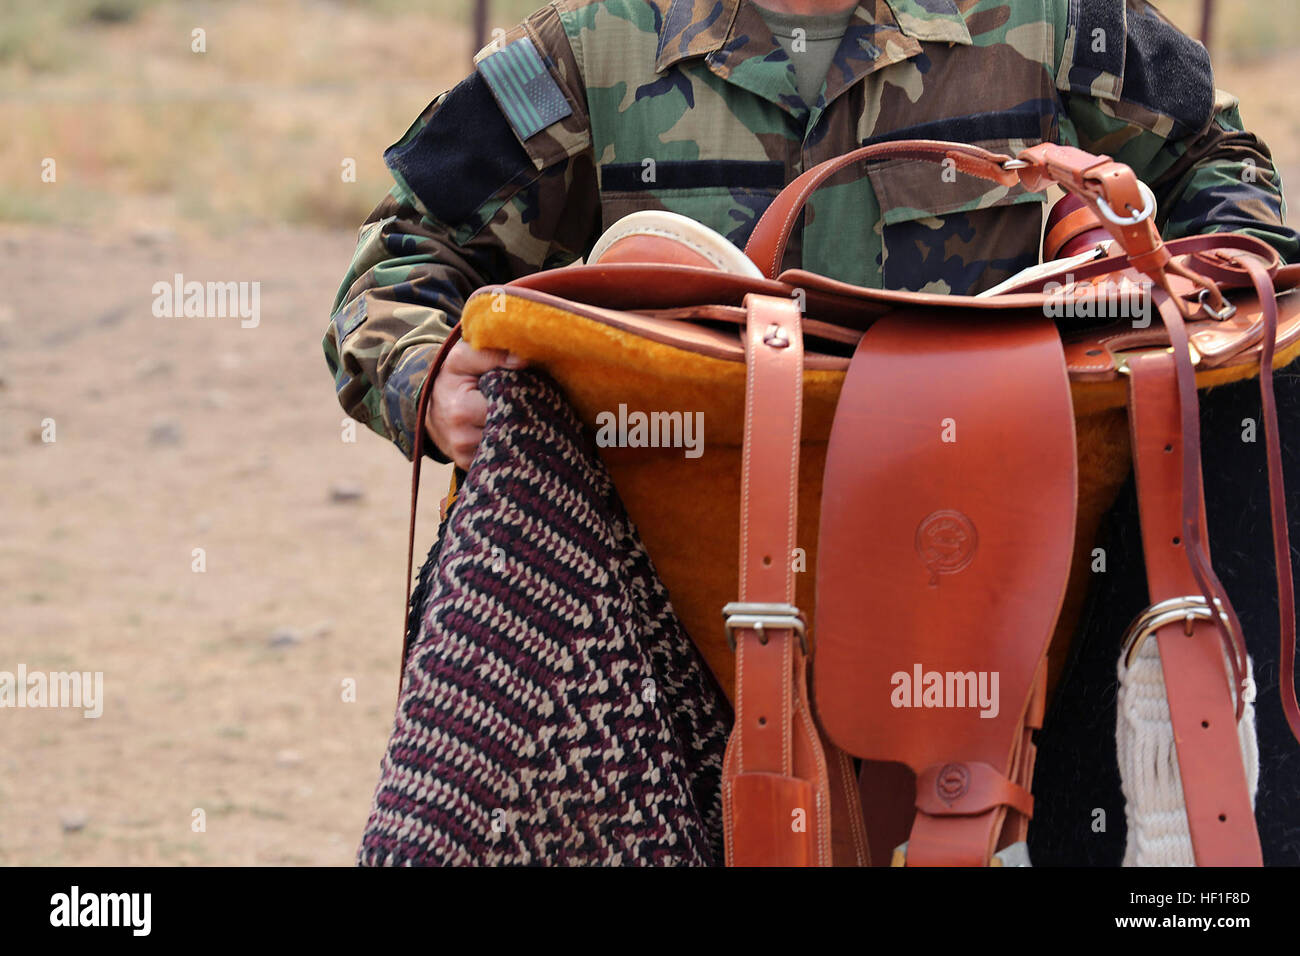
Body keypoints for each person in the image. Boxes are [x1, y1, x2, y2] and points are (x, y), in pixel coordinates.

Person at [324, 0, 1299, 865]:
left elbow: (1218, 174)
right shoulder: (598, 46)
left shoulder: (1050, 18)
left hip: (999, 556)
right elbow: (409, 244)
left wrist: (1178, 297)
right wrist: (426, 370)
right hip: (680, 582)